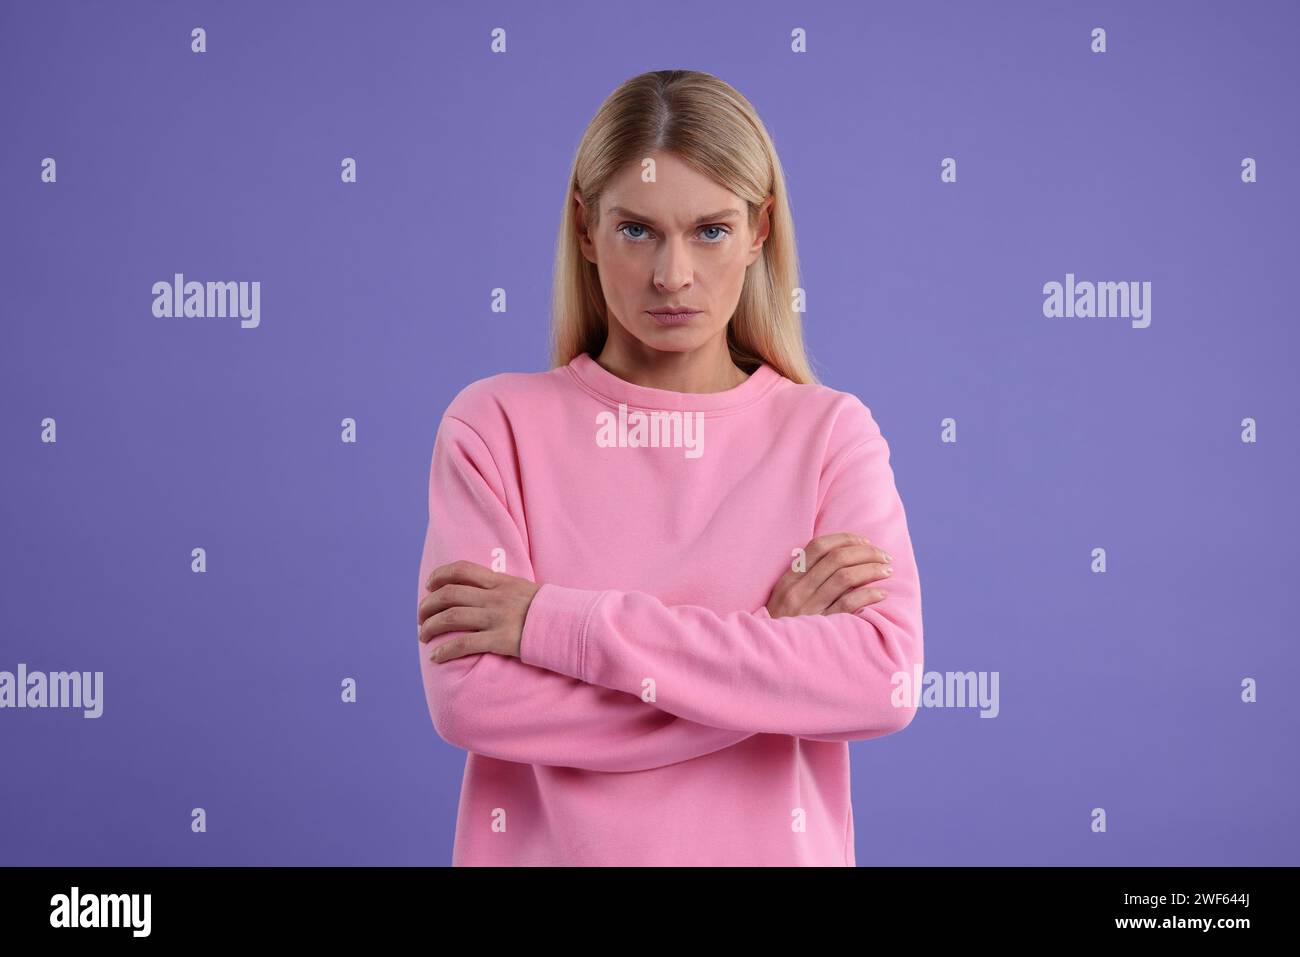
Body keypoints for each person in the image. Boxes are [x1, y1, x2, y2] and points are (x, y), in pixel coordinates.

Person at [415, 69, 923, 866]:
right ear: (585, 230)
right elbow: (473, 700)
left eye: (711, 230)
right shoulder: (495, 426)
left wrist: (554, 624)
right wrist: (770, 660)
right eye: (637, 230)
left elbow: (880, 681)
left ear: (760, 230)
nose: (672, 275)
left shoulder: (828, 435)